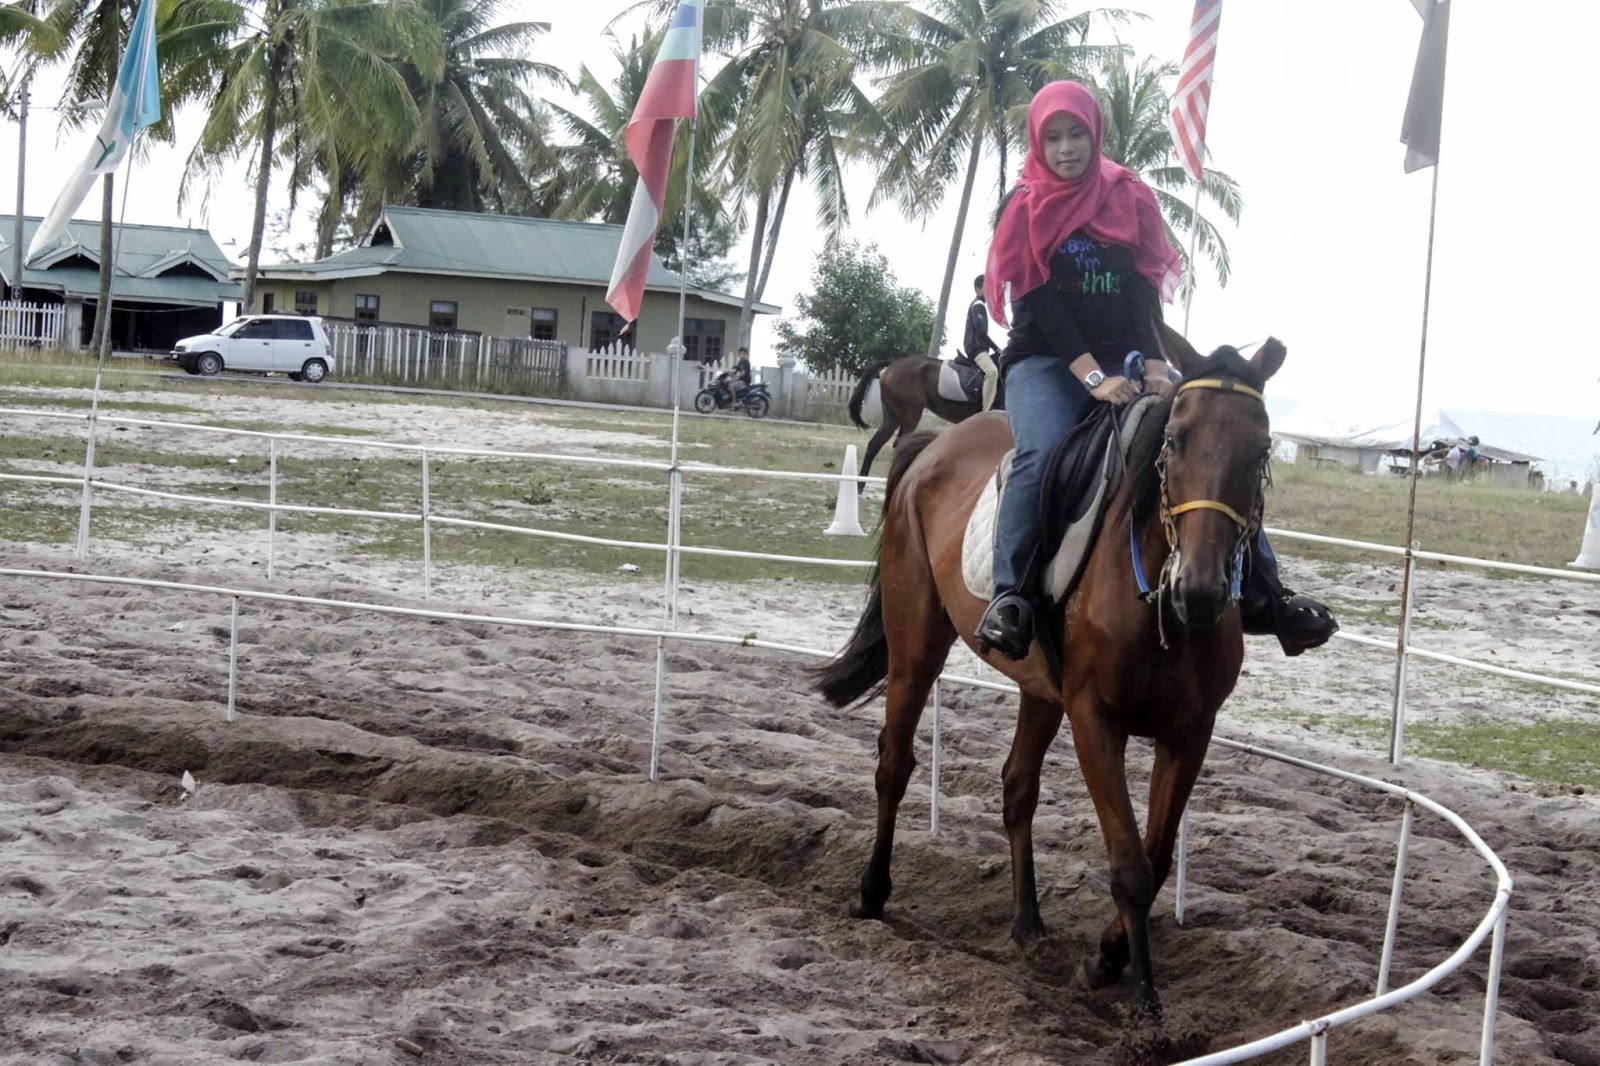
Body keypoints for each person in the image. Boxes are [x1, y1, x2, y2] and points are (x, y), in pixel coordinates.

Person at [973, 80, 1337, 661]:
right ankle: (1010, 596)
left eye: (1077, 135)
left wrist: (1162, 367)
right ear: (1039, 144)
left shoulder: (1130, 196)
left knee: (1204, 451)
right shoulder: (1024, 204)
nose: (1067, 148)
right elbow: (1040, 303)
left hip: (1129, 359)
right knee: (1039, 454)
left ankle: (1268, 594)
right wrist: (1094, 377)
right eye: (1054, 138)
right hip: (1045, 361)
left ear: (1096, 135)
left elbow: (1145, 292)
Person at [964, 274, 1002, 410]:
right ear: (978, 289)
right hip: (976, 348)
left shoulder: (980, 305)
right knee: (992, 372)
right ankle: (986, 411)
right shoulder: (978, 305)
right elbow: (981, 333)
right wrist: (997, 348)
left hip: (980, 348)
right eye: (987, 286)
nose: (990, 289)